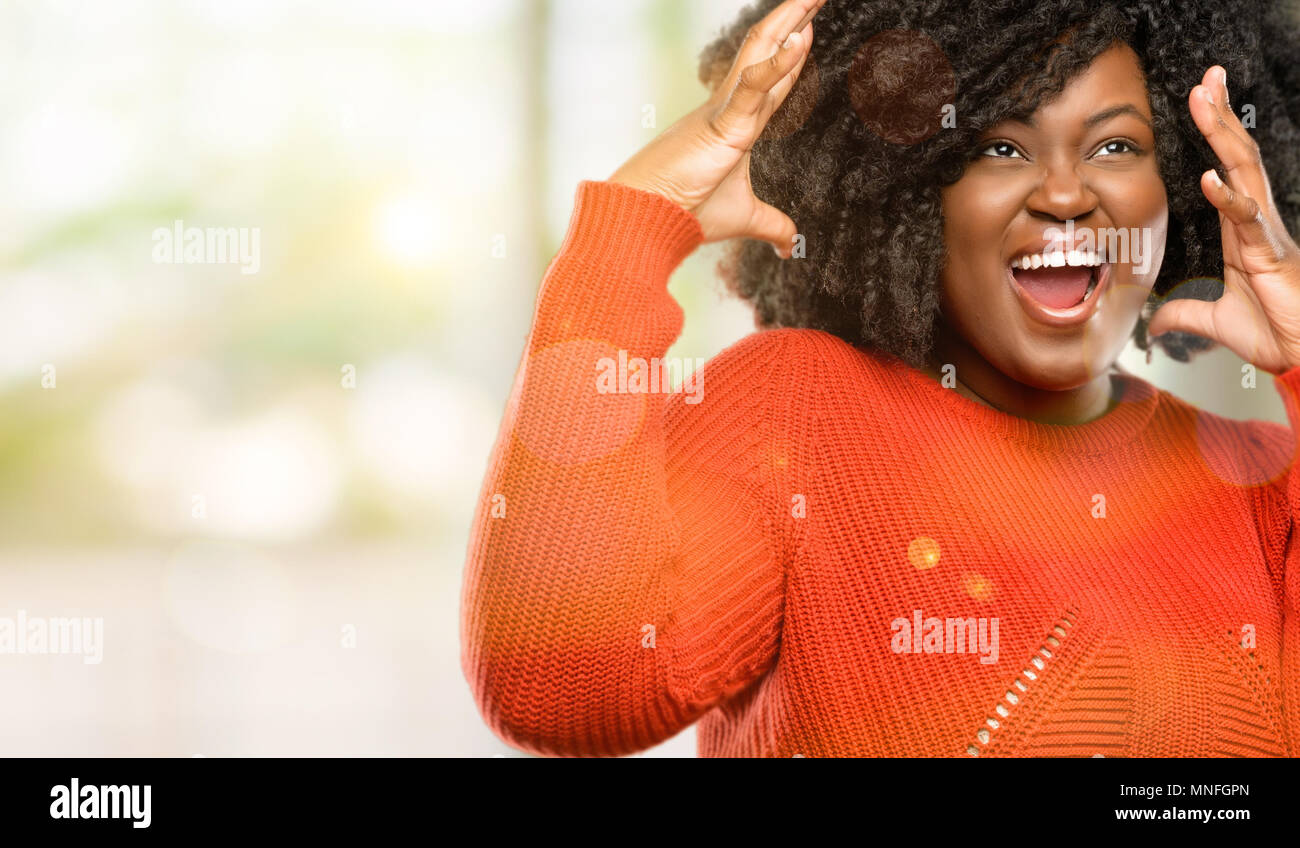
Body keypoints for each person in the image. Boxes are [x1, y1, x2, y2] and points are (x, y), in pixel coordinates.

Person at [461, 0, 1300, 756]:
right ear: (906, 189)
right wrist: (627, 238)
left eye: (1116, 145)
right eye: (998, 146)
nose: (1066, 193)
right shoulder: (796, 413)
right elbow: (556, 688)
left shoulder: (1263, 481)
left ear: (1182, 190)